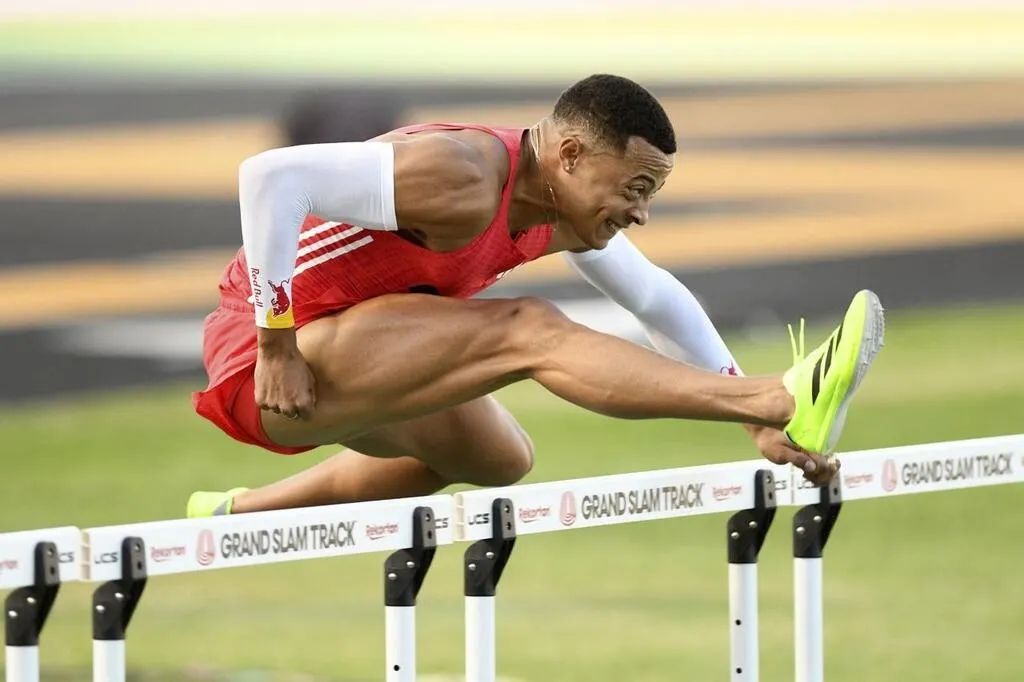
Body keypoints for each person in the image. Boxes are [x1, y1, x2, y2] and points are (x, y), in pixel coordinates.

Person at [187, 74, 884, 518]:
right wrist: (275, 341)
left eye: (652, 195)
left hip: (335, 359)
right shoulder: (459, 175)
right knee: (527, 327)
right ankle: (785, 396)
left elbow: (655, 299)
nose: (640, 212)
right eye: (635, 189)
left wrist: (752, 434)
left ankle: (237, 516)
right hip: (265, 361)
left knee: (497, 460)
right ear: (571, 156)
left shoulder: (559, 212)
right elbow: (270, 179)